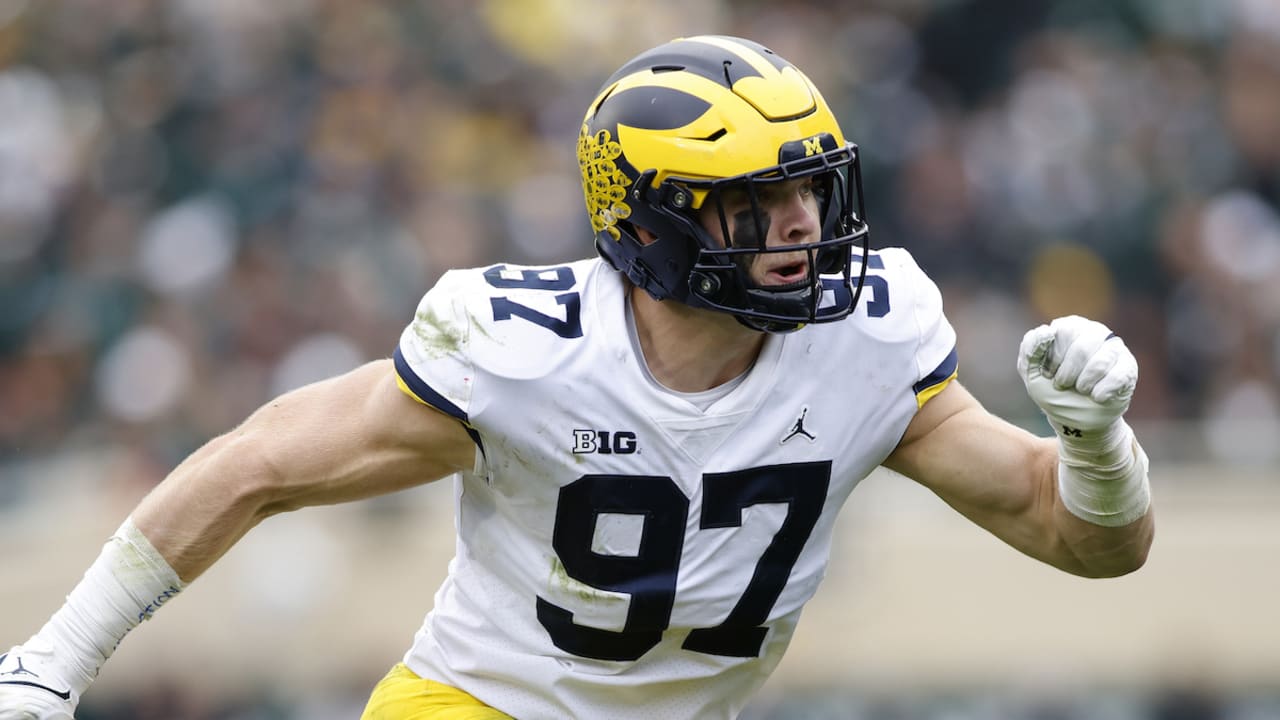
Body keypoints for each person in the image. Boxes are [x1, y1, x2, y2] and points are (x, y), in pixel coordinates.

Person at [0, 35, 1154, 720]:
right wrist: (56, 662)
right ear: (650, 226)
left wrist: (1096, 442)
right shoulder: (520, 351)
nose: (803, 227)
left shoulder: (868, 335)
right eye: (755, 204)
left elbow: (1083, 542)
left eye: (811, 192)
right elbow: (255, 466)